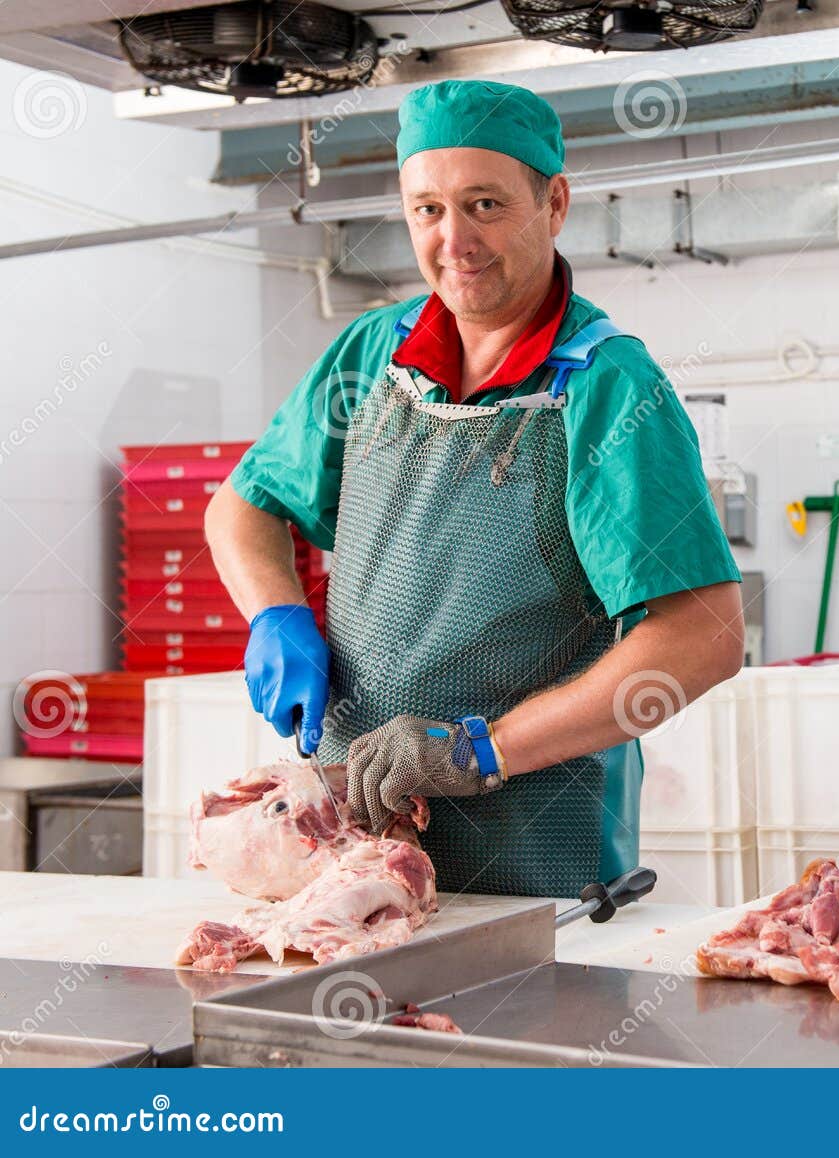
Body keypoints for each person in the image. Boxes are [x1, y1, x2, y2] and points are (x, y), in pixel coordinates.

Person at [207, 79, 744, 898]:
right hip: (355, 839)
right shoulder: (373, 353)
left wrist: (480, 749)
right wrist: (274, 613)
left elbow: (704, 636)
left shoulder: (607, 387)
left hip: (536, 848)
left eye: (485, 205)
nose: (454, 240)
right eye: (427, 209)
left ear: (554, 203)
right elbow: (243, 505)